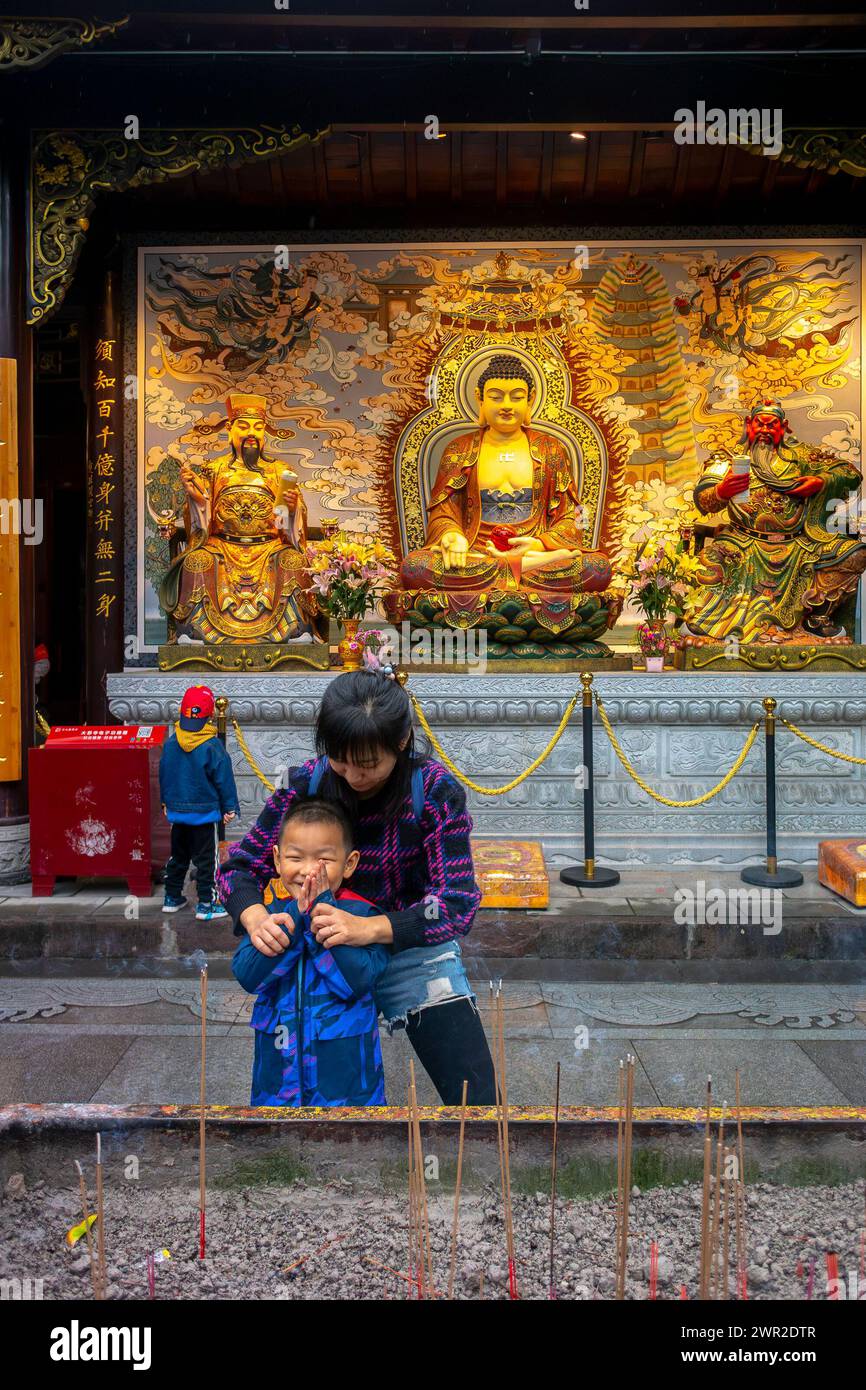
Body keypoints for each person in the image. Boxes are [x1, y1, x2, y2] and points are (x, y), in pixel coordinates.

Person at [216, 669, 496, 1104]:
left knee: (475, 1098)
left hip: (407, 951)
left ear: (400, 743)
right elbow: (237, 869)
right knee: (312, 1097)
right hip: (319, 951)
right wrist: (256, 920)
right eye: (340, 759)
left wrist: (368, 929)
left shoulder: (433, 790)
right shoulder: (304, 784)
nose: (352, 775)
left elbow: (456, 903)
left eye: (367, 764)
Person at [232, 798, 390, 1106]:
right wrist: (292, 921)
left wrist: (321, 916)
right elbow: (248, 975)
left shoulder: (363, 916)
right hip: (277, 1088)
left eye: (324, 860)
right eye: (295, 857)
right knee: (276, 1152)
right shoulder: (269, 916)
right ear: (277, 860)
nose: (308, 871)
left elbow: (356, 981)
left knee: (351, 1148)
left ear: (349, 863)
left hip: (347, 1091)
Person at [159, 685, 240, 920]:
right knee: (207, 861)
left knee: (178, 857)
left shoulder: (172, 742)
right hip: (205, 814)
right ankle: (206, 904)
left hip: (177, 813)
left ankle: (172, 897)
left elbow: (164, 774)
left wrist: (166, 802)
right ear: (210, 715)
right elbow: (223, 779)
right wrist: (229, 807)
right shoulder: (212, 745)